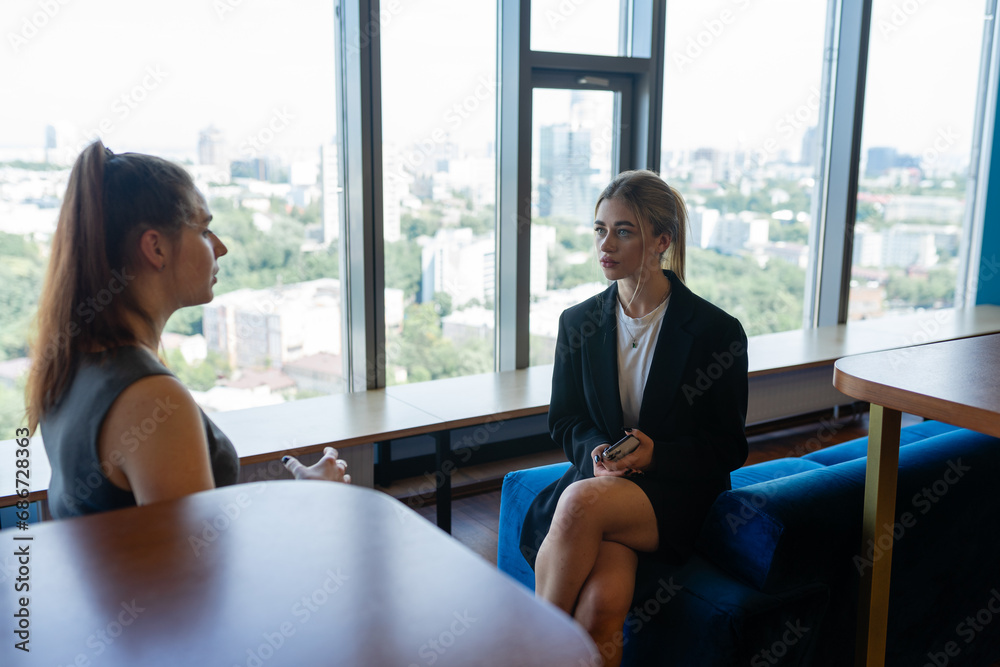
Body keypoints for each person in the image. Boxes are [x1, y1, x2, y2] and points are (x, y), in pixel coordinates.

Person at [25, 141, 347, 519]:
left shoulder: (70, 361)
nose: (221, 247)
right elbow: (196, 571)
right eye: (205, 230)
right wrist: (308, 503)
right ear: (156, 248)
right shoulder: (151, 399)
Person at [520, 170, 748, 666]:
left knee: (580, 503)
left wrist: (656, 454)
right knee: (603, 604)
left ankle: (529, 651)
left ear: (661, 241)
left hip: (675, 494)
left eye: (623, 230)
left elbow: (729, 447)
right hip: (605, 483)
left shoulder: (715, 331)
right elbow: (566, 420)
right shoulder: (577, 322)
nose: (606, 243)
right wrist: (598, 454)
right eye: (600, 229)